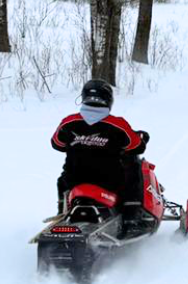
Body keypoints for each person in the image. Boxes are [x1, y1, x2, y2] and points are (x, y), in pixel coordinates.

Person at [51, 79, 147, 212]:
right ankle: (131, 213)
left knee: (63, 178)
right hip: (109, 182)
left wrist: (79, 142)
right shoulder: (118, 125)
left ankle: (62, 210)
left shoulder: (68, 122)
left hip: (74, 181)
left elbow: (57, 144)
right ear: (108, 99)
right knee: (133, 167)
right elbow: (137, 147)